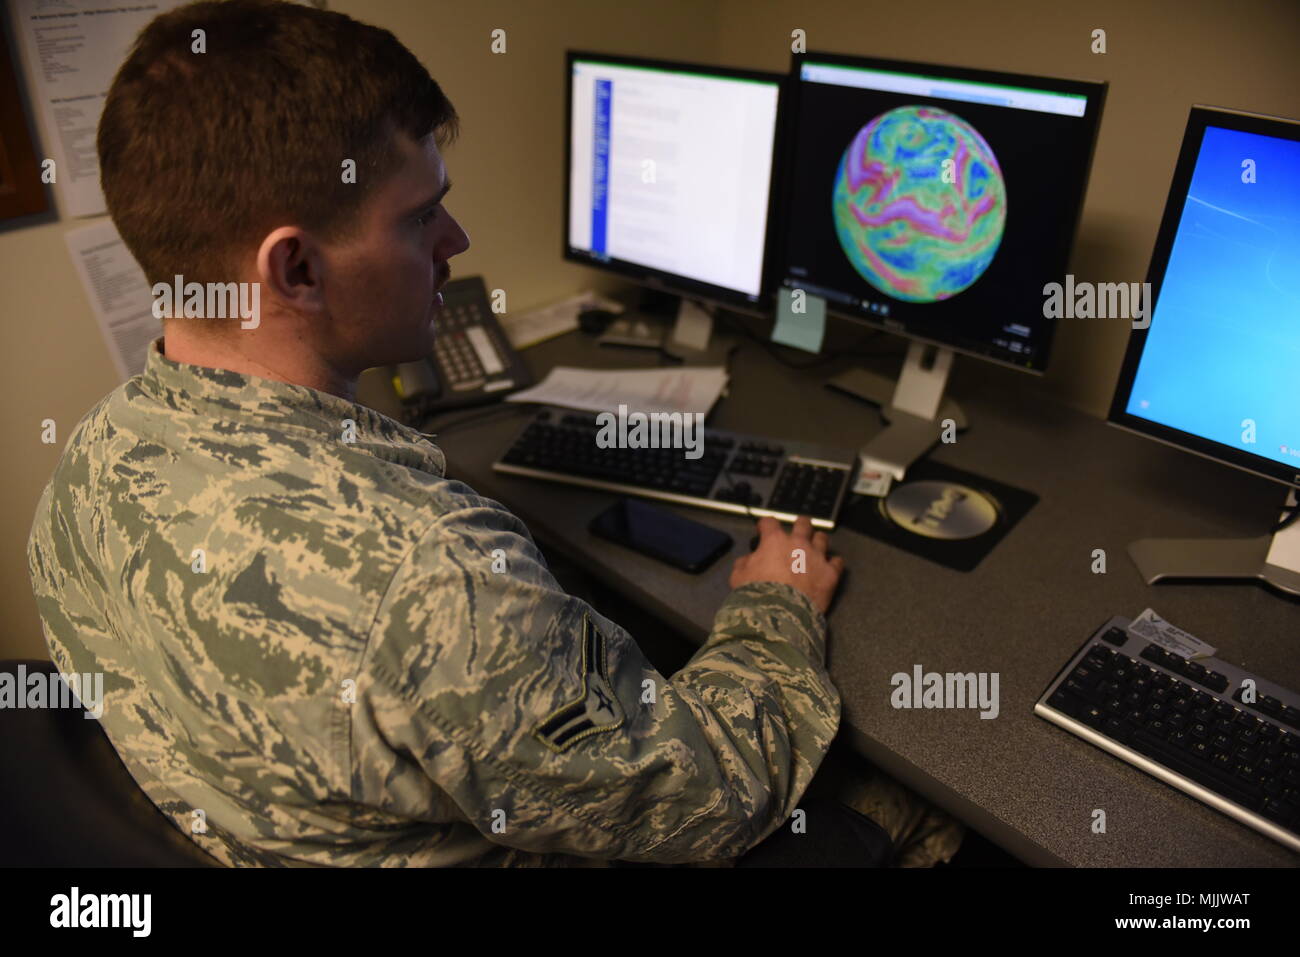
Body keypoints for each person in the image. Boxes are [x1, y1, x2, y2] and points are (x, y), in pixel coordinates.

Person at [27, 0, 961, 867]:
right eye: (421, 214)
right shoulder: (436, 582)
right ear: (297, 267)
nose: (456, 241)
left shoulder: (88, 468)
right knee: (932, 800)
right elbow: (713, 793)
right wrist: (774, 610)